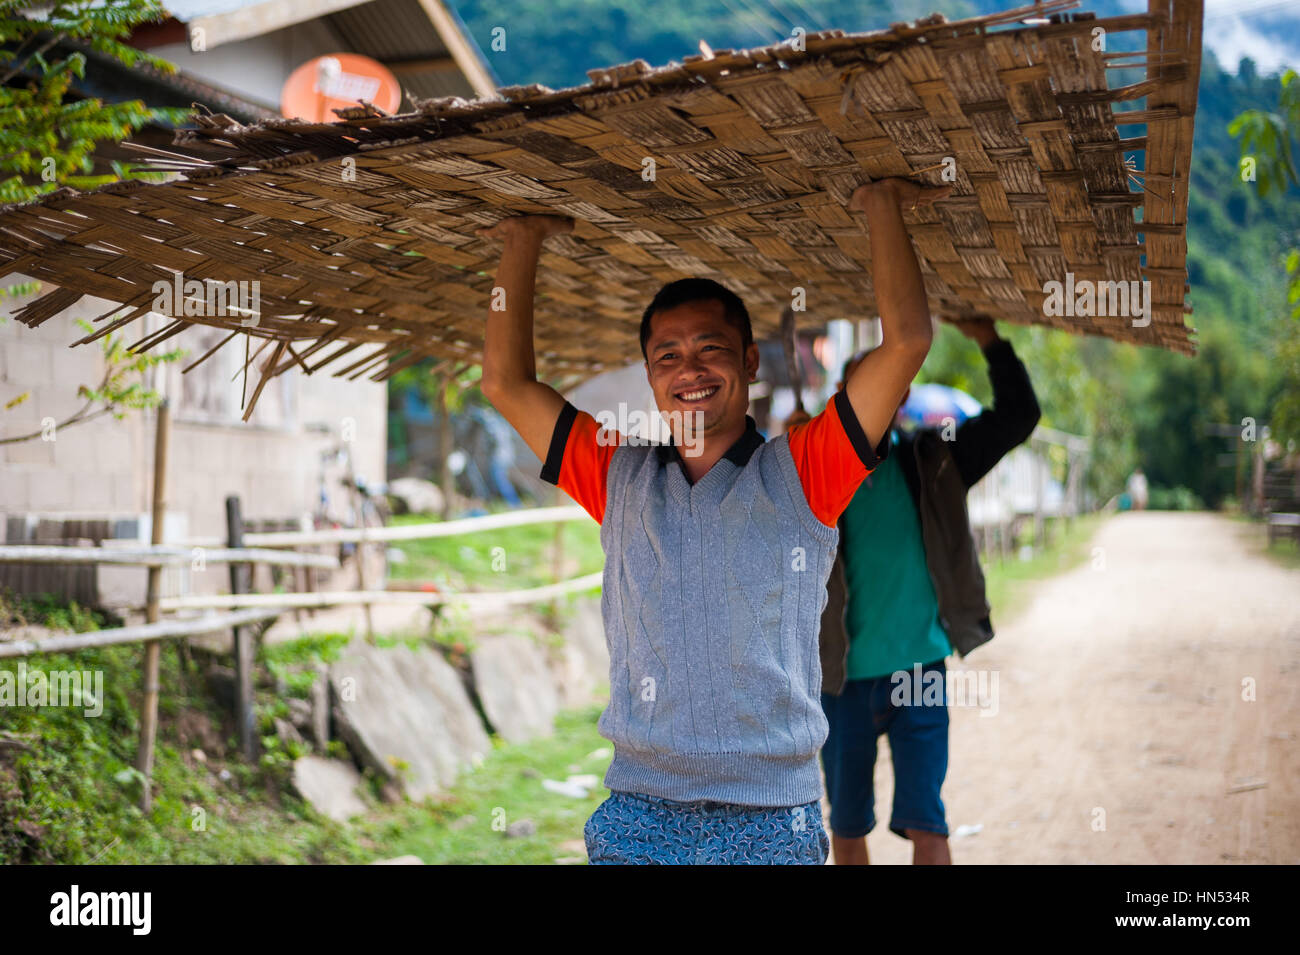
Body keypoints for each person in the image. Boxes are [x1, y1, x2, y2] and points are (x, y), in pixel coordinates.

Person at [475, 176, 949, 865]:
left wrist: (880, 203)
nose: (688, 369)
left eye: (710, 348)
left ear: (750, 361)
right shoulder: (617, 474)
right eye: (667, 354)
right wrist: (522, 241)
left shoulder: (806, 470)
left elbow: (906, 341)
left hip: (770, 820)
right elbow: (504, 383)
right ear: (649, 374)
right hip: (639, 816)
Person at [794, 317, 1039, 865]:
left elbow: (1020, 417)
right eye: (863, 388)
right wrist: (792, 445)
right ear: (841, 398)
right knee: (848, 824)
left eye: (888, 386)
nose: (876, 398)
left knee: (929, 823)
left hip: (920, 674)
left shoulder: (935, 459)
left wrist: (989, 341)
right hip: (841, 680)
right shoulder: (809, 468)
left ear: (901, 395)